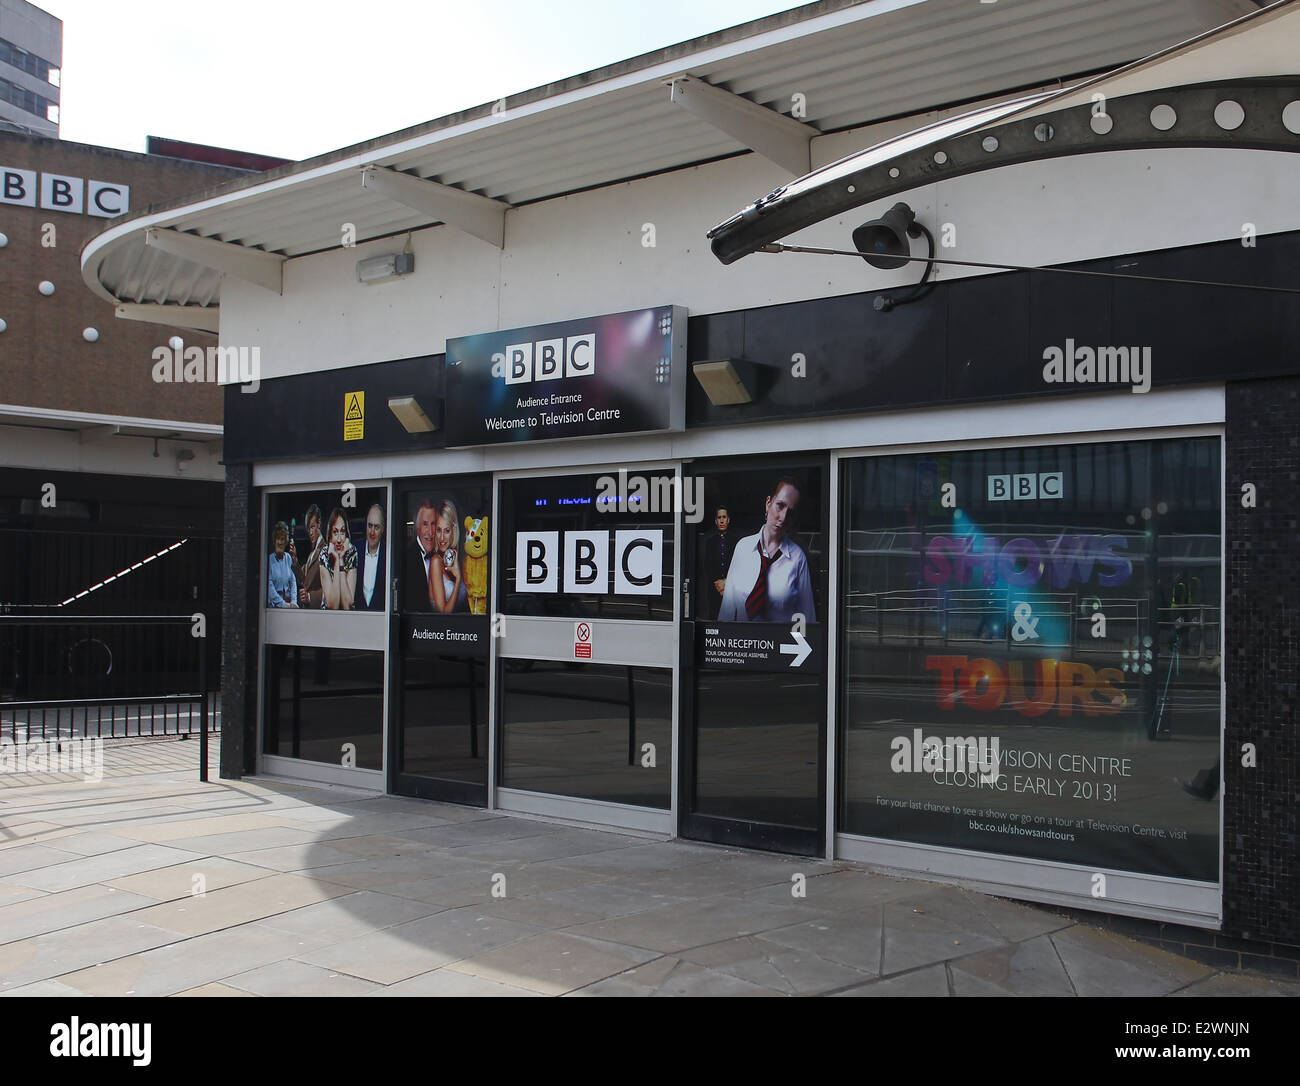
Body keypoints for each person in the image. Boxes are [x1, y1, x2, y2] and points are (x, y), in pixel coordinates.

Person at [718, 478, 816, 623]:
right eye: (780, 506)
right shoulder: (743, 548)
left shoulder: (797, 558)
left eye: (790, 512)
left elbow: (806, 617)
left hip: (779, 642)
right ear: (768, 503)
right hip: (742, 642)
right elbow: (727, 609)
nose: (783, 518)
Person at [428, 498, 467, 613]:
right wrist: (458, 579)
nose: (442, 538)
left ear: (454, 531)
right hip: (438, 630)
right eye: (439, 530)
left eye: (447, 531)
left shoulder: (454, 559)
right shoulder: (436, 561)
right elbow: (444, 612)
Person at [405, 499, 440, 612]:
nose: (430, 532)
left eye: (433, 524)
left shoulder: (442, 556)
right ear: (417, 528)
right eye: (425, 524)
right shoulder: (406, 558)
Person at [319, 507, 358, 610]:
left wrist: (340, 560)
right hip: (327, 619)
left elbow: (347, 605)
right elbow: (333, 605)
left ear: (347, 534)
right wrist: (336, 561)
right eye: (335, 532)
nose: (340, 539)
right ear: (330, 536)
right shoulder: (324, 555)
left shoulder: (352, 552)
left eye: (342, 531)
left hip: (349, 620)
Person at [700, 506, 734, 620]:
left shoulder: (735, 541)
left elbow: (738, 565)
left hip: (731, 588)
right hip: (714, 590)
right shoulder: (710, 542)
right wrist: (718, 584)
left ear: (728, 520)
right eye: (719, 517)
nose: (722, 520)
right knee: (714, 618)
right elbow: (707, 566)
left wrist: (726, 582)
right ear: (716, 521)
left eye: (724, 517)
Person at [355, 503, 387, 611]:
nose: (372, 532)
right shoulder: (355, 550)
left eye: (376, 527)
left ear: (382, 529)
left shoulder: (388, 553)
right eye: (370, 526)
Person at [294, 503, 326, 609]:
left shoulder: (325, 550)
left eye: (312, 527)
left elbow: (331, 590)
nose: (310, 532)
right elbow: (305, 579)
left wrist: (310, 597)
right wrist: (295, 560)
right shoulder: (312, 552)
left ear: (319, 524)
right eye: (308, 529)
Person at [267, 521, 298, 608]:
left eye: (282, 539)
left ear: (286, 542)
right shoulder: (269, 560)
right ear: (274, 541)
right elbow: (270, 587)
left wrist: (294, 601)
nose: (280, 542)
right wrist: (282, 604)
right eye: (278, 539)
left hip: (289, 605)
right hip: (275, 606)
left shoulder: (288, 558)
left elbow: (293, 582)